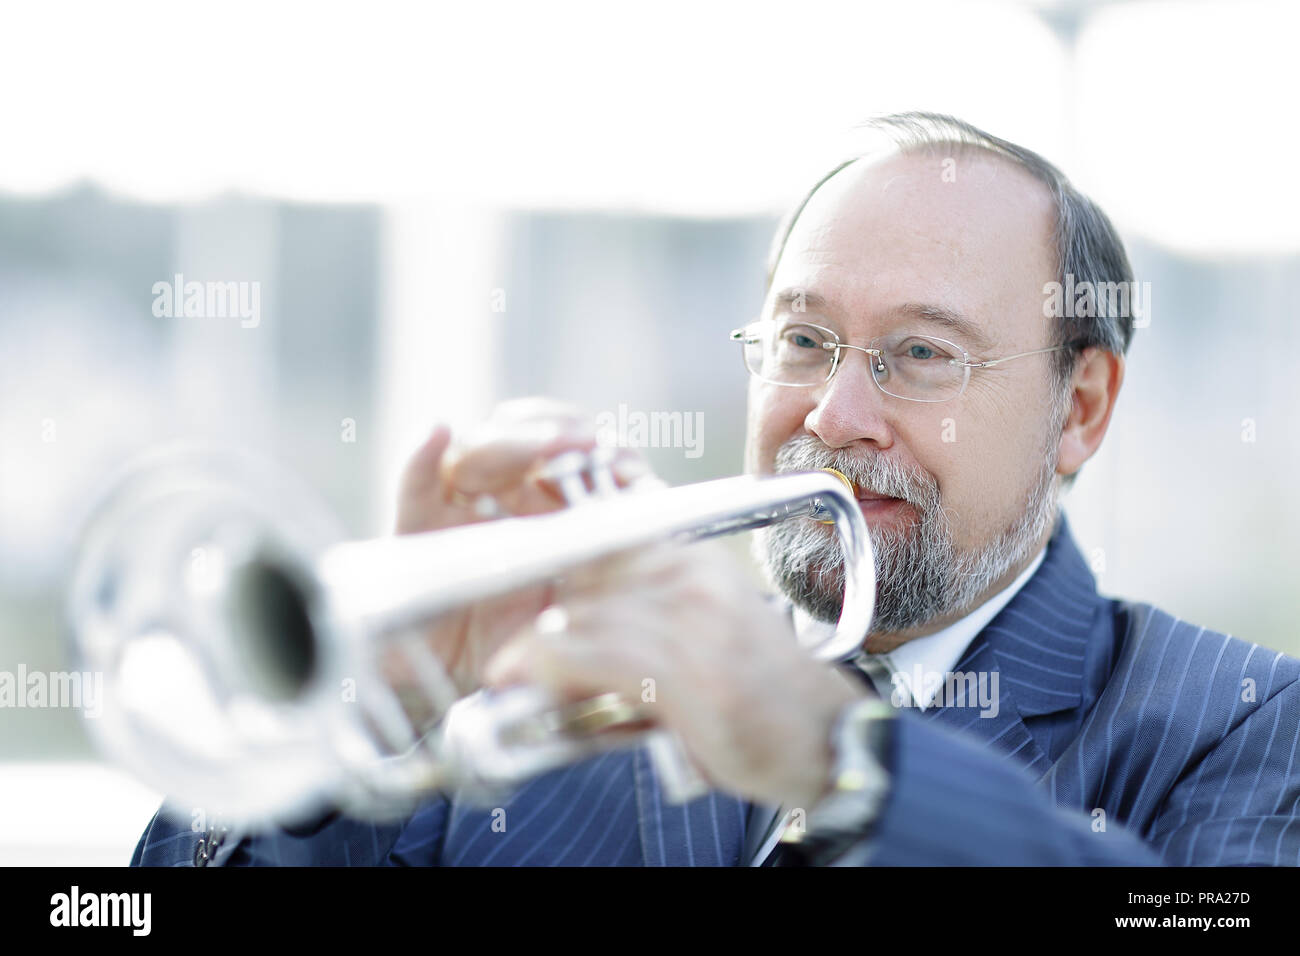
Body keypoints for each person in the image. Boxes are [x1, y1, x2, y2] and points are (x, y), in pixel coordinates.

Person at [133, 112, 1300, 867]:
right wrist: (369, 711)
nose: (833, 416)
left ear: (1080, 406)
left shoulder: (1243, 722)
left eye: (920, 354)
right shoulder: (541, 700)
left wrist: (837, 754)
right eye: (802, 341)